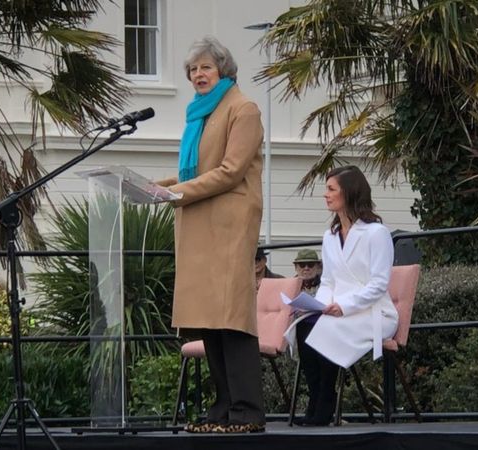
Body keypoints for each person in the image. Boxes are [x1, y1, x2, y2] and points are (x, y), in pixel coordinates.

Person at [156, 36, 265, 434]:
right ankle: (223, 409)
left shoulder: (243, 109)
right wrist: (155, 187)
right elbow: (195, 174)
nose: (198, 74)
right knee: (211, 321)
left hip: (229, 225)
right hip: (201, 224)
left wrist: (174, 192)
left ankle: (247, 411)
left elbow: (230, 171)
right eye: (193, 69)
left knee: (232, 319)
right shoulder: (200, 114)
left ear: (223, 70)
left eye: (205, 67)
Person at [285, 165, 399, 426]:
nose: (326, 194)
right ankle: (317, 397)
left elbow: (379, 284)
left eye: (331, 189)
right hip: (336, 310)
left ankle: (325, 403)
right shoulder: (330, 236)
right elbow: (328, 281)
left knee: (329, 329)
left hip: (373, 313)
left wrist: (343, 307)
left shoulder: (376, 233)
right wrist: (319, 306)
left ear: (348, 193)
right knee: (304, 325)